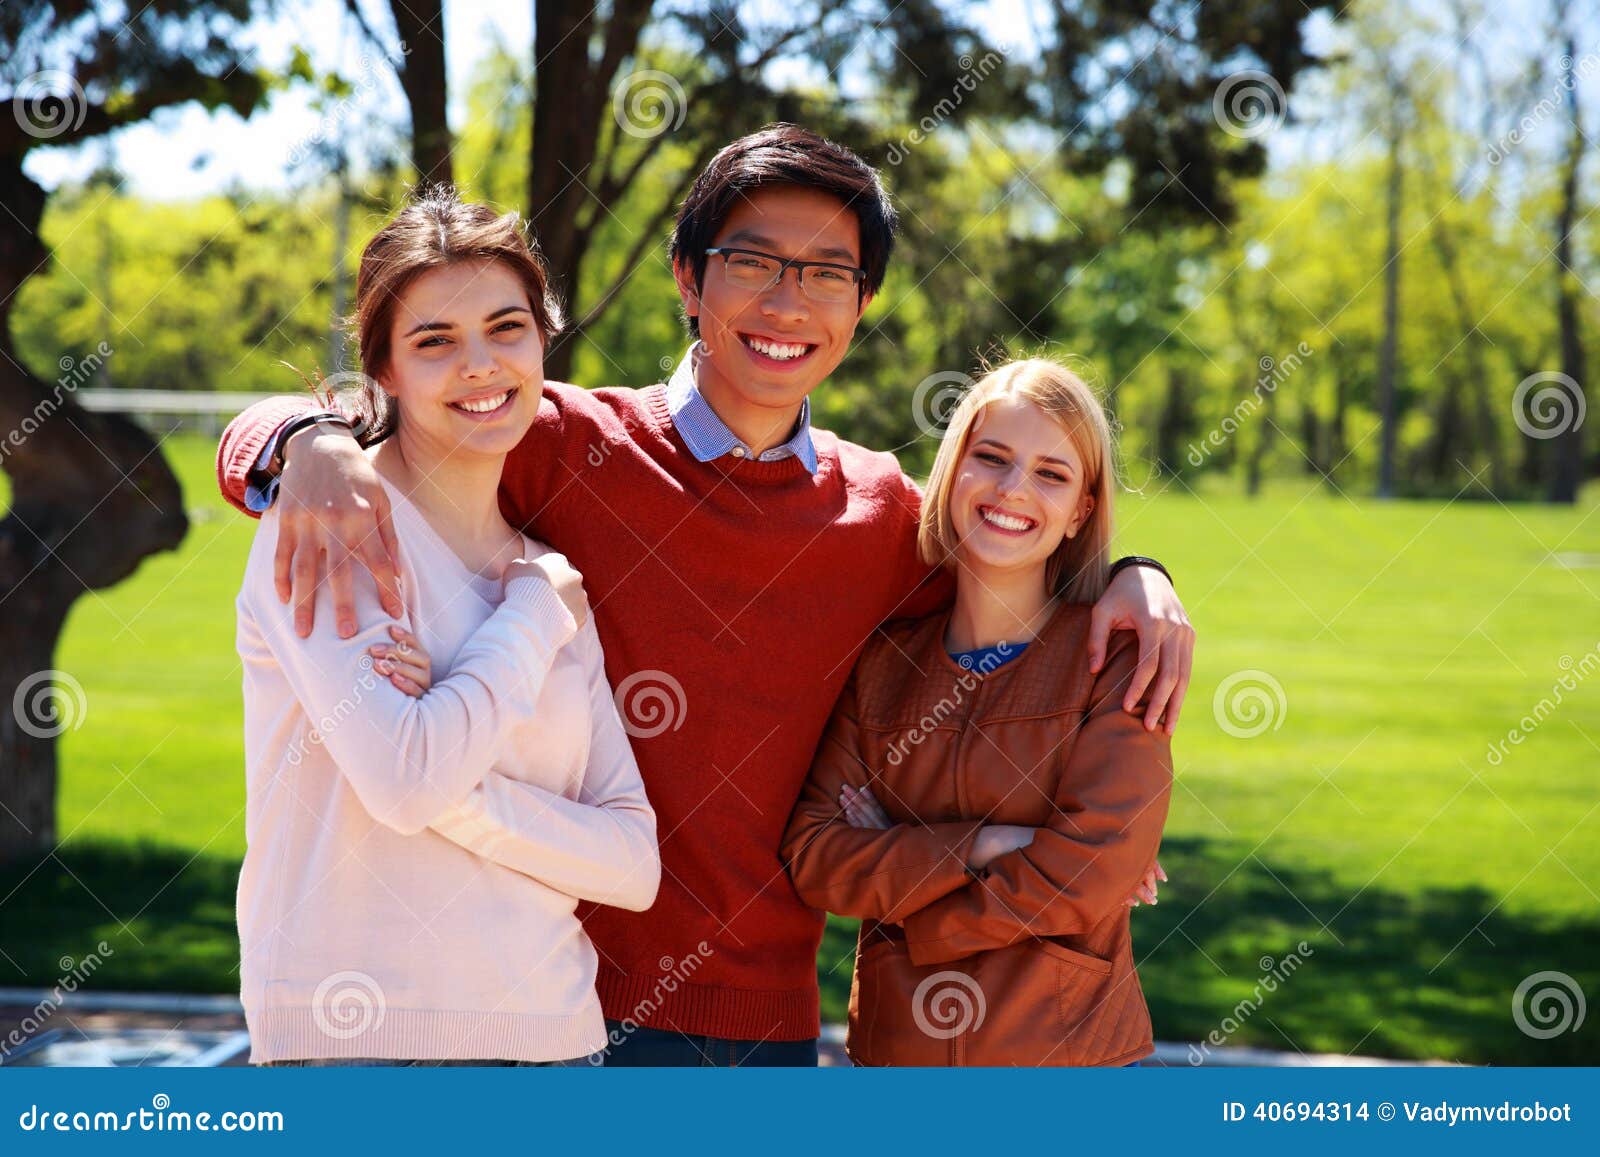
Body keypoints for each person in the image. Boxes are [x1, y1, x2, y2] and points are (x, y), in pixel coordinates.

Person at [216, 124, 1193, 1066]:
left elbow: (1011, 553)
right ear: (688, 278)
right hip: (554, 1000)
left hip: (762, 1022)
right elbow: (393, 421)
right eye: (753, 262)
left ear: (862, 305)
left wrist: (1136, 576)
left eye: (827, 274)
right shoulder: (557, 440)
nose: (787, 302)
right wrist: (304, 440)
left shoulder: (886, 517)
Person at [236, 190, 658, 1066]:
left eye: (507, 328)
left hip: (557, 1044)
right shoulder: (329, 524)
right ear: (384, 369)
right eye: (435, 341)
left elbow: (632, 864)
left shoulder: (548, 572)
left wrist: (447, 748)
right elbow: (404, 786)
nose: (480, 364)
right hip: (357, 1050)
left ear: (542, 341)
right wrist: (525, 624)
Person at [783, 356, 1173, 1066]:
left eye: (1052, 474)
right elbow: (815, 856)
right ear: (953, 471)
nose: (1013, 488)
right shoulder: (883, 665)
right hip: (896, 1061)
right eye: (991, 457)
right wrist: (986, 845)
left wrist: (913, 898)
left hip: (1068, 1067)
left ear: (1081, 511)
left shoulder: (1114, 659)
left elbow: (1093, 873)